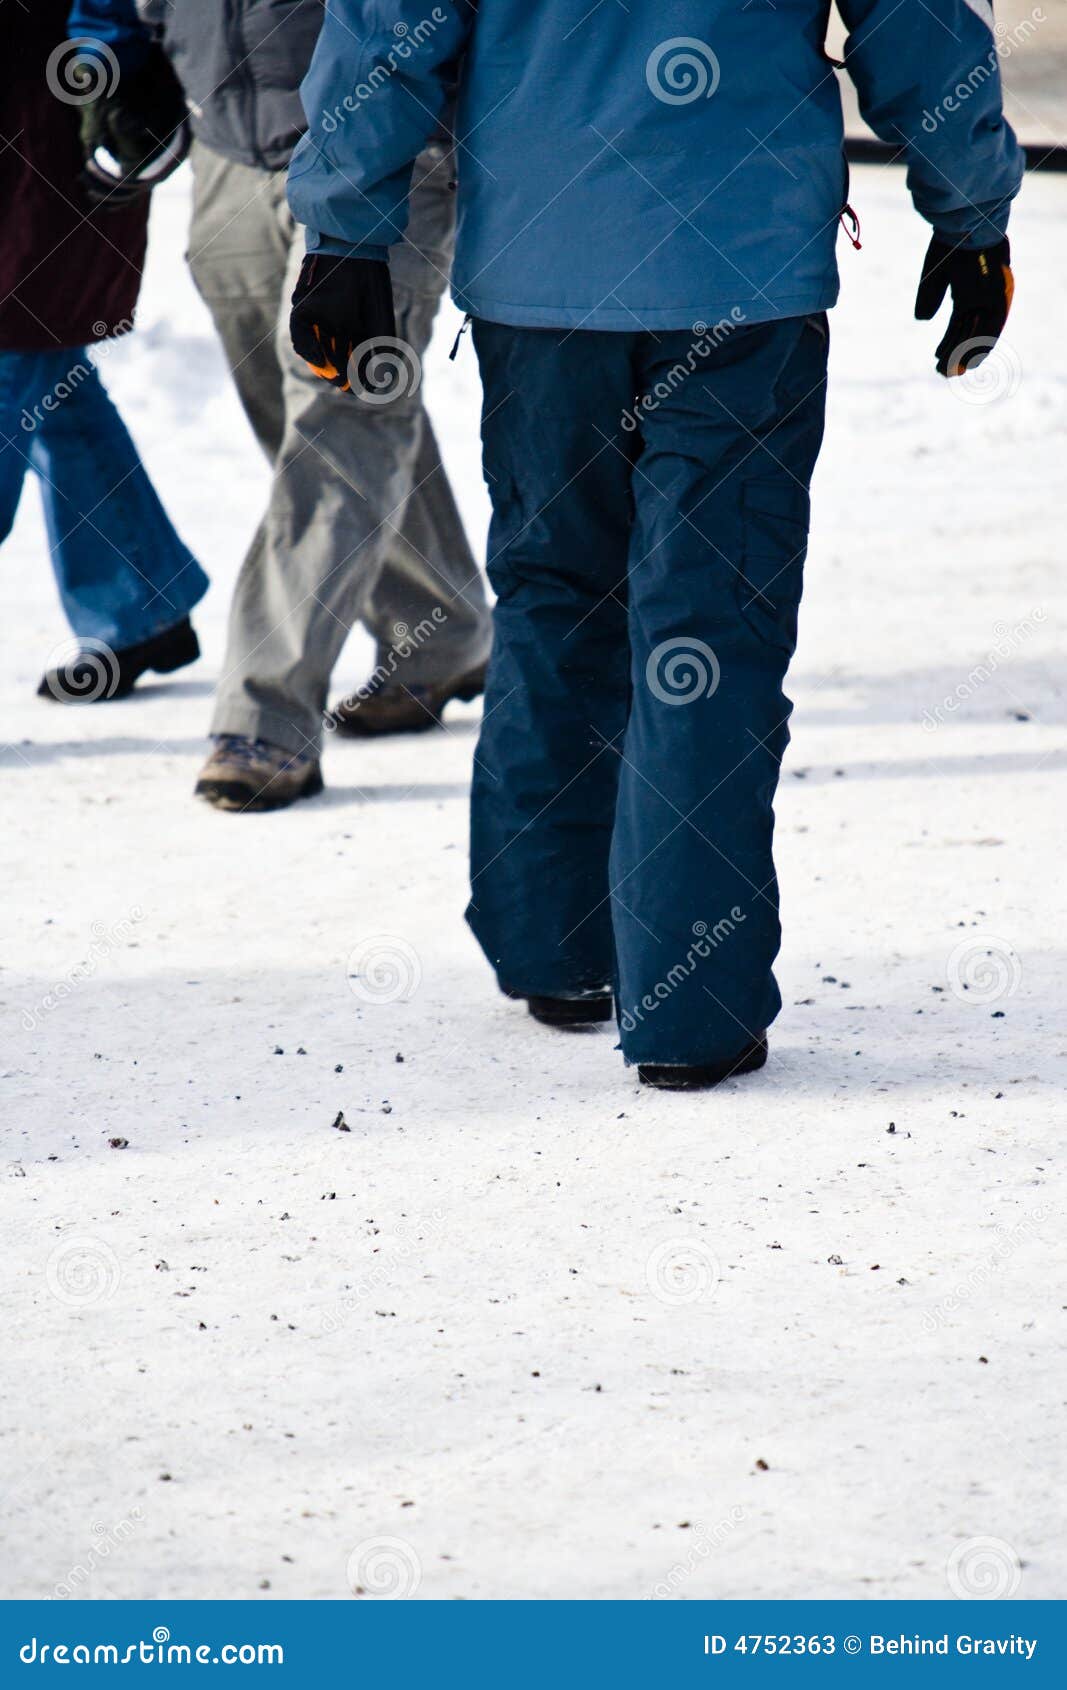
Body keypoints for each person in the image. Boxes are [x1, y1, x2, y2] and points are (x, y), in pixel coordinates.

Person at [287, 0, 1022, 1087]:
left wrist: (346, 225)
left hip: (543, 267)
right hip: (738, 274)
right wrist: (967, 209)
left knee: (553, 594)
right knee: (706, 628)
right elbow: (913, 25)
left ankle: (559, 942)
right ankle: (689, 1008)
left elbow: (386, 25)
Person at [69, 0, 492, 812]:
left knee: (341, 416)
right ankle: (438, 627)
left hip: (378, 147)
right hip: (227, 150)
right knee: (321, 422)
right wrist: (114, 56)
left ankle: (264, 715)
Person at [1, 1, 206, 703]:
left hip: (46, 160)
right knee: (49, 379)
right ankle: (139, 601)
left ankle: (138, 601)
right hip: (47, 157)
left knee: (17, 358)